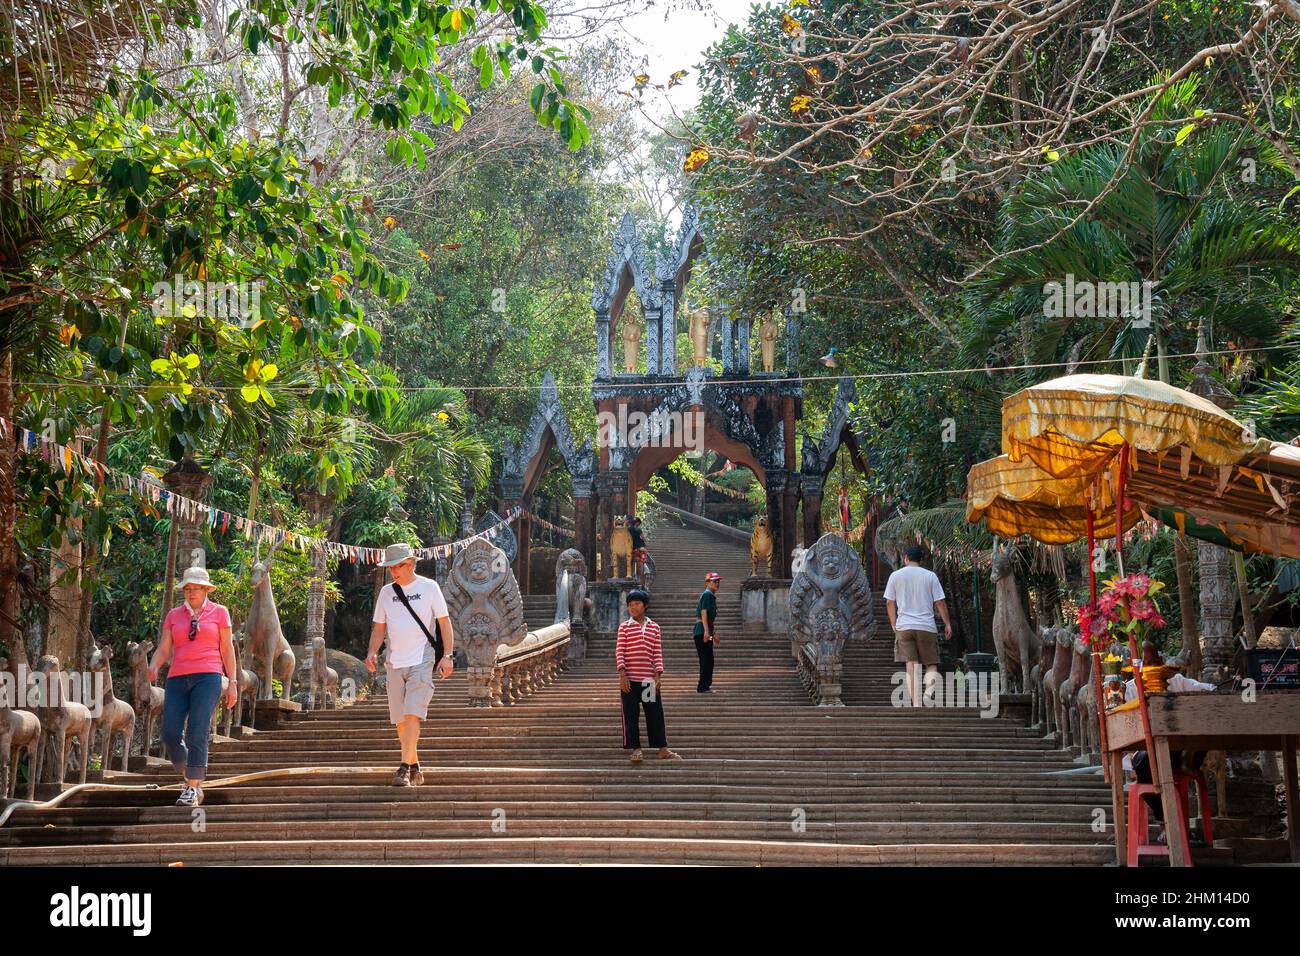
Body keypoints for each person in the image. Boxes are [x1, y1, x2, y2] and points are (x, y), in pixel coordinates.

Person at [149, 564, 240, 807]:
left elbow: (227, 649)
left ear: (206, 589)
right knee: (169, 734)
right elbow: (165, 648)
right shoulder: (173, 615)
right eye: (187, 588)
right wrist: (154, 666)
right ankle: (191, 777)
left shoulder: (220, 612)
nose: (191, 593)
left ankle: (191, 788)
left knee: (197, 731)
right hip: (177, 678)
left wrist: (232, 682)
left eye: (196, 588)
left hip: (208, 676)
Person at [366, 543, 456, 787]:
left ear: (411, 563)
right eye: (390, 567)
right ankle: (415, 765)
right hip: (394, 660)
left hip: (422, 658)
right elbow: (379, 628)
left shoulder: (429, 587)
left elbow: (444, 623)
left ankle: (404, 768)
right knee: (400, 721)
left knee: (412, 712)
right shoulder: (386, 593)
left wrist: (447, 655)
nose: (394, 571)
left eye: (398, 566)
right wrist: (372, 652)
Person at [1123, 642, 1217, 826]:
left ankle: (1186, 762)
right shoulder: (1130, 689)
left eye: (1154, 662)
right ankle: (1165, 820)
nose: (1152, 667)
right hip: (1149, 757)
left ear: (1161, 662)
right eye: (1147, 663)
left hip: (1182, 752)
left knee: (1206, 717)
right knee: (1143, 763)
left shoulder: (1176, 681)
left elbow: (1208, 689)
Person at [884, 544, 952, 707]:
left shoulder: (895, 576)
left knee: (911, 666)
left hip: (904, 626)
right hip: (926, 626)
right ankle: (928, 694)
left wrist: (894, 623)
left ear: (906, 558)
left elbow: (889, 603)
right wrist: (947, 623)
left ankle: (916, 704)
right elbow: (940, 603)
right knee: (931, 664)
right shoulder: (930, 576)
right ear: (921, 561)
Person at [617, 589, 680, 763]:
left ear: (645, 606)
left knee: (655, 714)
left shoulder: (654, 627)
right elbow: (620, 652)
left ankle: (662, 748)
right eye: (630, 605)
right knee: (631, 714)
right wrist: (622, 675)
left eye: (637, 604)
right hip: (629, 681)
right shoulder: (624, 627)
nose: (633, 607)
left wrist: (658, 675)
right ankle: (636, 749)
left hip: (647, 681)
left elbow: (657, 653)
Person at [693, 572, 722, 693]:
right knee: (706, 658)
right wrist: (706, 632)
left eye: (717, 582)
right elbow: (704, 613)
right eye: (714, 581)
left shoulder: (710, 596)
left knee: (709, 658)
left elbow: (709, 618)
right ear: (707, 583)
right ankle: (702, 687)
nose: (717, 584)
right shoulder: (707, 595)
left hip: (706, 632)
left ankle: (705, 686)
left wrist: (712, 633)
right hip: (701, 632)